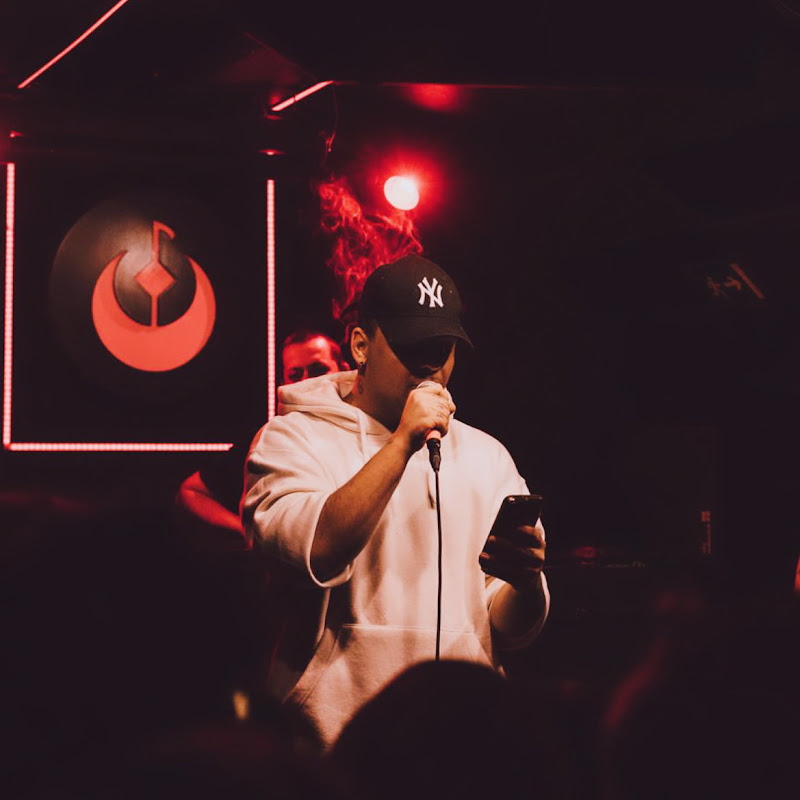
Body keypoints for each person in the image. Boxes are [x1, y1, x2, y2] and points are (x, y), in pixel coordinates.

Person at [242, 253, 550, 745]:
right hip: (336, 744)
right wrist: (402, 442)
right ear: (360, 345)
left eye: (442, 348)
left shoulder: (488, 456)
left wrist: (526, 583)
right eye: (412, 347)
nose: (431, 366)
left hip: (463, 743)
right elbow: (315, 551)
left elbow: (508, 630)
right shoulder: (290, 439)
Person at [174, 329, 346, 547]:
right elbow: (191, 493)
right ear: (284, 382)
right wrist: (251, 536)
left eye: (318, 370)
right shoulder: (272, 440)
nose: (306, 381)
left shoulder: (367, 425)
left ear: (343, 370)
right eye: (295, 375)